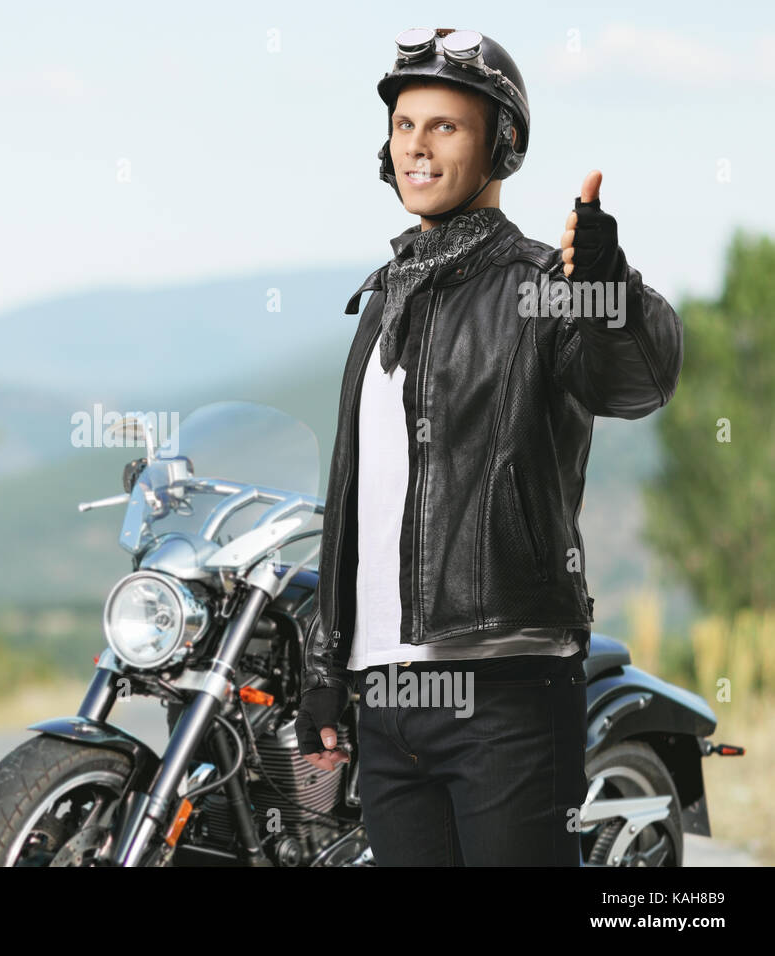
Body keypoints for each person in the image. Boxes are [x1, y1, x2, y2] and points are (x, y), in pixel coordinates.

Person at [294, 28, 684, 865]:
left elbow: (637, 383)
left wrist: (610, 291)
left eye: (446, 127)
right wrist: (330, 662)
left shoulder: (547, 288)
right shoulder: (386, 299)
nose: (417, 147)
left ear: (502, 144)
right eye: (405, 125)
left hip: (504, 692)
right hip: (388, 691)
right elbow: (361, 495)